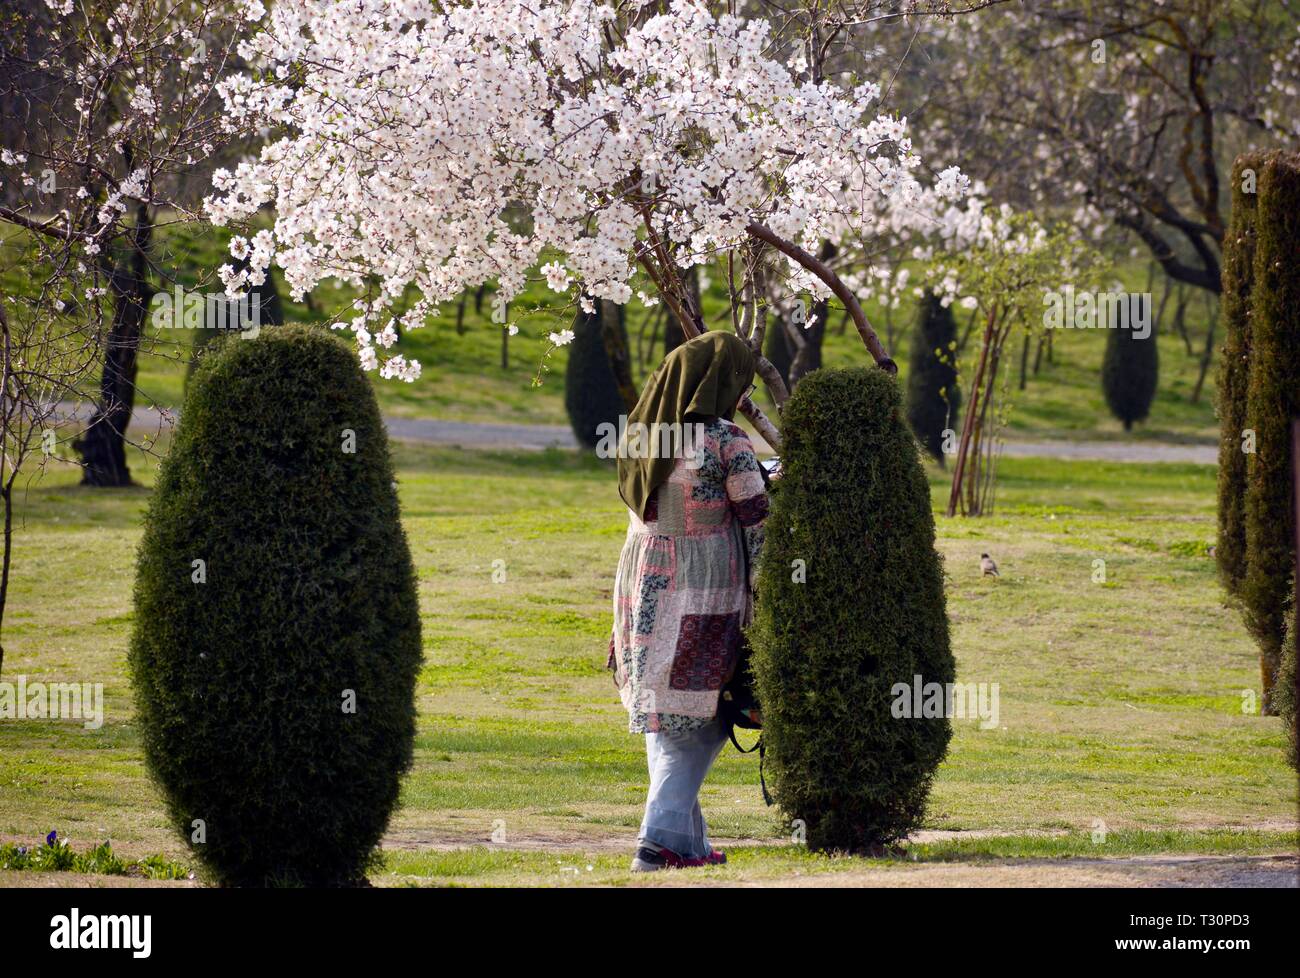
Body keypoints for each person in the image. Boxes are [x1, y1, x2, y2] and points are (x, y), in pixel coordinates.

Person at [607, 330, 770, 872]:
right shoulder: (728, 441)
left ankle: (690, 844)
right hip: (702, 585)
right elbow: (757, 522)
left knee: (662, 710)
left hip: (641, 583)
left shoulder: (638, 434)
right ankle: (657, 842)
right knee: (700, 715)